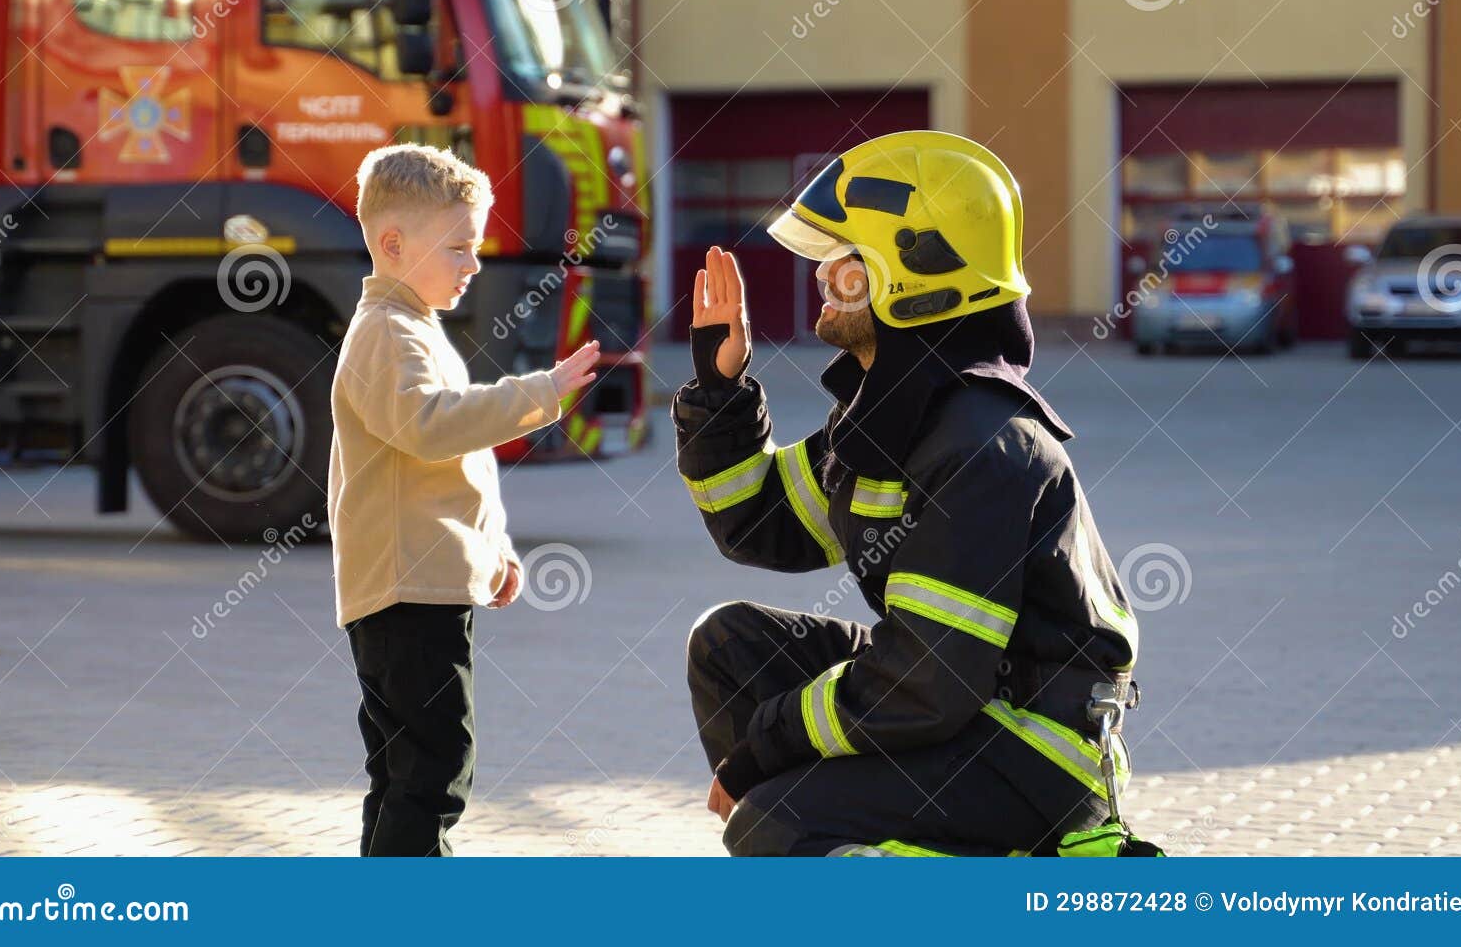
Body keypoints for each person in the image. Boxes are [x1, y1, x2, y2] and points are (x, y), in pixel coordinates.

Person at [677, 131, 1142, 856]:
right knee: (729, 647)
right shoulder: (894, 414)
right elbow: (758, 521)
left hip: (1038, 751)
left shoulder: (985, 444)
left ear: (908, 276)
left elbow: (928, 677)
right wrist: (721, 388)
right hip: (967, 695)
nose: (821, 284)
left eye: (842, 271)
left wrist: (766, 751)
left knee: (777, 821)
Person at [329, 144, 600, 856]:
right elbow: (433, 426)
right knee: (435, 767)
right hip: (405, 591)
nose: (473, 264)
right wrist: (540, 392)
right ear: (393, 244)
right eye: (459, 247)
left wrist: (491, 551)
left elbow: (454, 463)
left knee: (404, 771)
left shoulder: (409, 327)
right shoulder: (387, 334)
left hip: (415, 585)